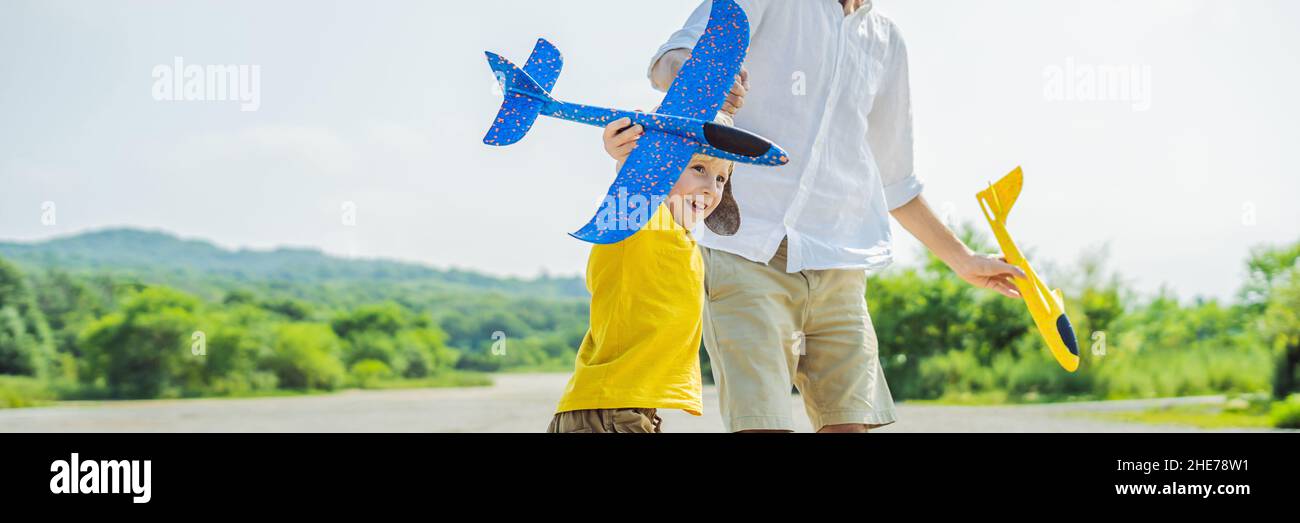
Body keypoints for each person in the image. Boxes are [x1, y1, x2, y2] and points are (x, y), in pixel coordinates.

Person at [649, 0, 1025, 432]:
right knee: (762, 425)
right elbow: (668, 62)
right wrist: (698, 75)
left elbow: (894, 180)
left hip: (840, 265)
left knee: (850, 425)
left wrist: (964, 260)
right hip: (744, 252)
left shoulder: (887, 42)